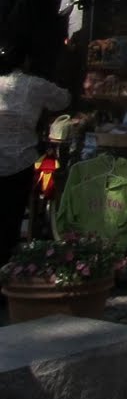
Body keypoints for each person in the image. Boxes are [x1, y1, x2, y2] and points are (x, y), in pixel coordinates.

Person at [0, 41, 70, 264]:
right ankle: (7, 268)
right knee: (11, 218)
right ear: (26, 61)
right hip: (20, 161)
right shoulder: (34, 85)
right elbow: (63, 100)